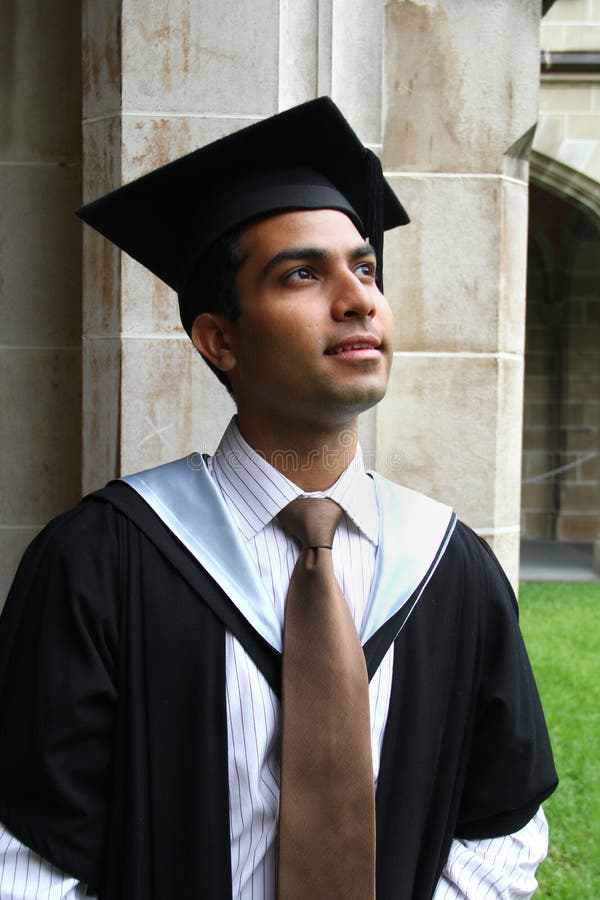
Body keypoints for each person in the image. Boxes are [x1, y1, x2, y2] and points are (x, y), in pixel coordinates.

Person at [0, 97, 557, 899]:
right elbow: (29, 860)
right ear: (218, 338)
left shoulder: (452, 569)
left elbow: (499, 829)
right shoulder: (96, 564)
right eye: (303, 273)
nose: (358, 297)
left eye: (365, 268)